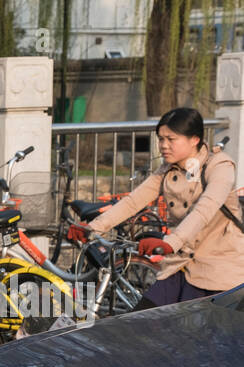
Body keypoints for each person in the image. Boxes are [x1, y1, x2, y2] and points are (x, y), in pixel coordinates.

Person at [74, 107, 244, 308]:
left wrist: (171, 242)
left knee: (195, 333)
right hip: (179, 265)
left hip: (218, 268)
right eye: (161, 139)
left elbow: (205, 208)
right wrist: (93, 228)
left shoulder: (220, 165)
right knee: (142, 320)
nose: (164, 145)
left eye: (171, 139)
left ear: (194, 140)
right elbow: (133, 201)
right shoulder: (167, 169)